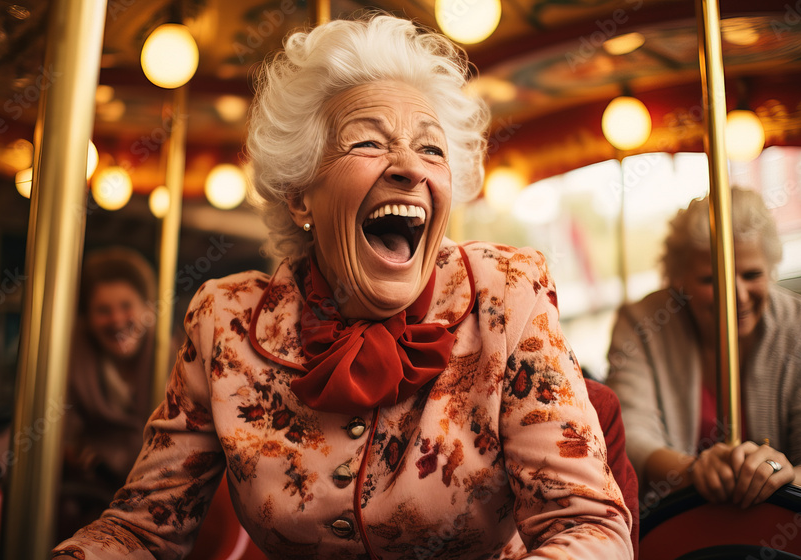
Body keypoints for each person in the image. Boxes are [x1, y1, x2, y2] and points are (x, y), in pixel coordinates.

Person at [52, 14, 632, 559]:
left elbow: (589, 528)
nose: (411, 166)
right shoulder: (224, 320)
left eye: (431, 148)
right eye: (368, 141)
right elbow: (142, 527)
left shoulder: (507, 294)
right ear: (300, 194)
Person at [606, 187, 801, 510]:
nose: (737, 296)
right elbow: (630, 439)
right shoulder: (642, 323)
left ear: (770, 270)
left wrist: (780, 477)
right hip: (683, 531)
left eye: (752, 274)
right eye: (712, 279)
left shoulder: (799, 321)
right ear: (678, 279)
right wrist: (695, 472)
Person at [0, 247, 158, 538]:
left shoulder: (173, 355)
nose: (117, 320)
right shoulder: (80, 353)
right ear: (87, 316)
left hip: (161, 496)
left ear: (148, 308)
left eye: (126, 306)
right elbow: (49, 421)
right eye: (103, 310)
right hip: (100, 495)